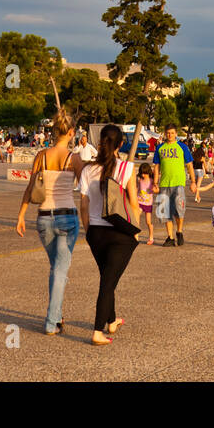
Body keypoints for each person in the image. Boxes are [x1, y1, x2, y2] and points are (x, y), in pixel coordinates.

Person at [16, 110, 83, 336]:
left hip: (43, 218)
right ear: (71, 133)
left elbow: (30, 187)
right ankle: (51, 321)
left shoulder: (41, 155)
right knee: (60, 269)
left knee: (57, 268)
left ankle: (58, 315)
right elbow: (87, 188)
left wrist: (21, 215)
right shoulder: (73, 159)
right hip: (67, 217)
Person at [78, 125, 141, 346]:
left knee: (107, 275)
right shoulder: (126, 168)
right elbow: (133, 203)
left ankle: (112, 321)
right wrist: (135, 231)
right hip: (119, 233)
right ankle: (97, 331)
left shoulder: (87, 170)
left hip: (95, 232)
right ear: (121, 144)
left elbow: (83, 206)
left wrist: (88, 232)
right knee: (108, 281)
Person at [152, 125, 196, 247]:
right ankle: (170, 237)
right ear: (165, 134)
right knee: (164, 212)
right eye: (168, 133)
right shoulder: (160, 148)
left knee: (179, 210)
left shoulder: (182, 147)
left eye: (172, 133)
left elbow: (190, 165)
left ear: (176, 133)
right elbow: (156, 167)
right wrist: (155, 183)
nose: (170, 135)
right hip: (164, 184)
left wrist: (193, 182)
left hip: (178, 183)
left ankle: (179, 231)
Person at [135, 163, 156, 245]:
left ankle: (151, 237)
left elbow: (156, 189)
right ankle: (136, 237)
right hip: (139, 202)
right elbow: (137, 189)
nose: (143, 175)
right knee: (136, 219)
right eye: (142, 173)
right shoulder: (140, 180)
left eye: (145, 173)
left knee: (148, 222)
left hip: (148, 203)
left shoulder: (152, 180)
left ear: (148, 172)